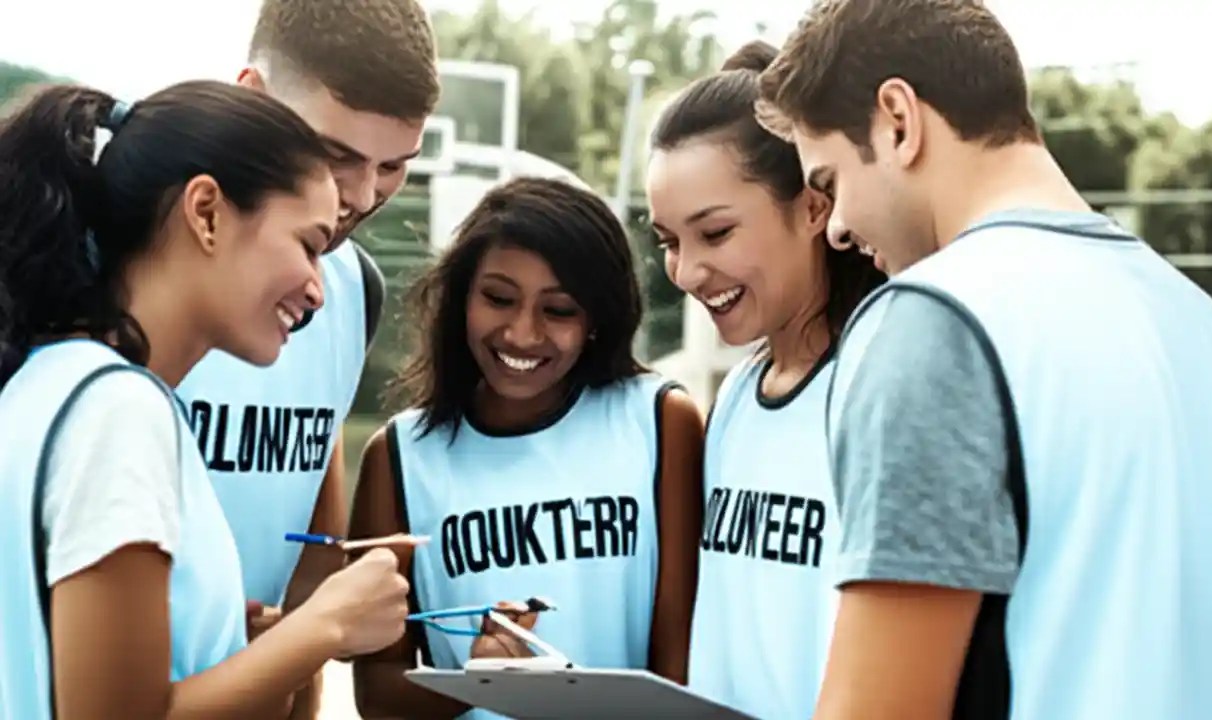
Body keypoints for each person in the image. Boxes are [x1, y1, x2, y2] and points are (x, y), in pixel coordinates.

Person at [754, 1, 1212, 718]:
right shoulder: (1209, 331)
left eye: (832, 183)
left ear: (898, 120)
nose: (835, 228)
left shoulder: (935, 322)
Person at [0, 80, 410, 720]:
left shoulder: (47, 382)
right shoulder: (119, 413)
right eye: (307, 244)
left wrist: (238, 660)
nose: (317, 290)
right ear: (208, 212)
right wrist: (324, 626)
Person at [348, 177, 706, 719]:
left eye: (558, 310)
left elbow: (680, 665)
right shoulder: (400, 456)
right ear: (462, 297)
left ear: (595, 320)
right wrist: (480, 678)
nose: (521, 333)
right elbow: (378, 694)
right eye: (498, 298)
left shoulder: (658, 420)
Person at [172, 2, 437, 713]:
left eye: (394, 166)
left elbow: (308, 568)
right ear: (250, 96)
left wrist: (304, 642)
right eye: (336, 154)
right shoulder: (89, 266)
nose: (358, 195)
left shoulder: (353, 290)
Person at [645, 40, 883, 720]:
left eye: (714, 234)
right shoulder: (734, 406)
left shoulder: (878, 389)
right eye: (668, 242)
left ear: (813, 209)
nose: (687, 272)